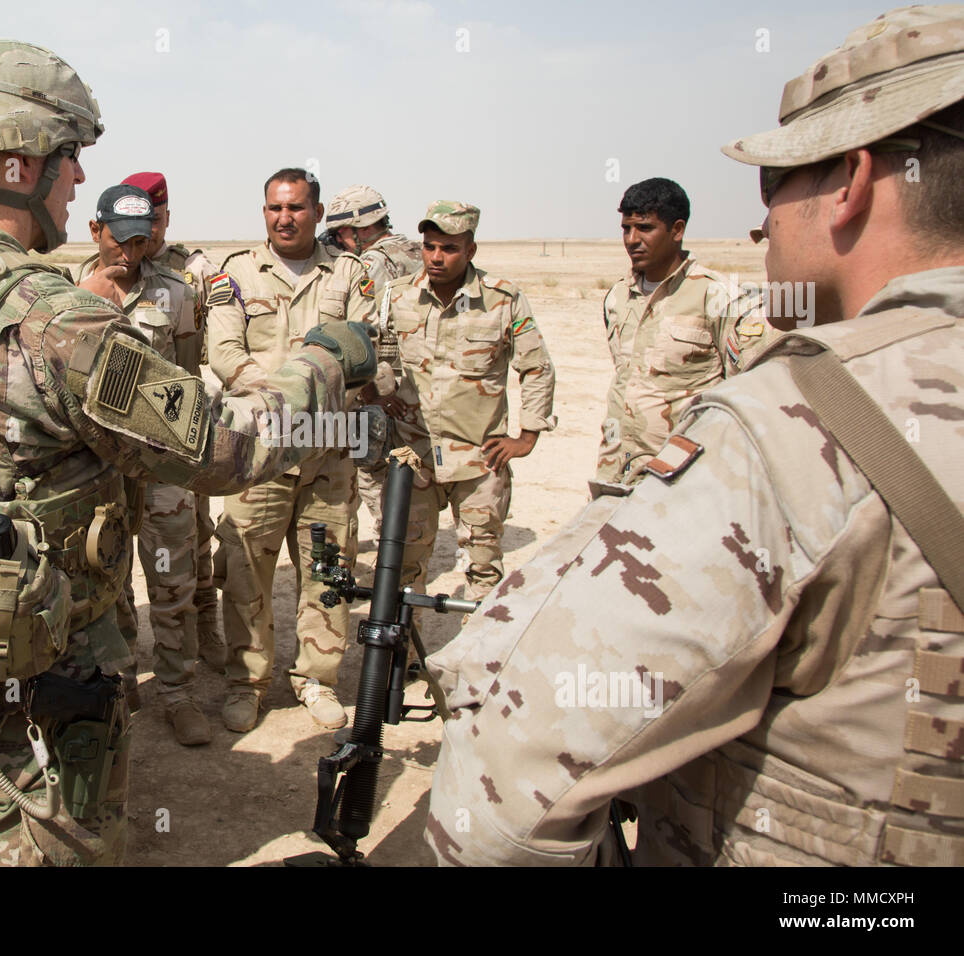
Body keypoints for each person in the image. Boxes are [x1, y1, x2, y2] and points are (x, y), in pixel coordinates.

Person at [0, 36, 375, 866]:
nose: (77, 179)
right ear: (12, 164)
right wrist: (324, 360)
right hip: (29, 698)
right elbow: (219, 448)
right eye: (67, 155)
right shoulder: (51, 318)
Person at [425, 4, 964, 867]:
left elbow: (503, 804)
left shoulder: (790, 425)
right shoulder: (619, 303)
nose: (765, 221)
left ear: (853, 181)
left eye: (773, 183)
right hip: (628, 490)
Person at [207, 168, 376, 732]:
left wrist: (301, 396)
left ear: (318, 212)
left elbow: (365, 353)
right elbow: (226, 353)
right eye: (276, 208)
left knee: (327, 571)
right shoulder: (236, 274)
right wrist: (291, 397)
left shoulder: (349, 274)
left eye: (298, 208)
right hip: (259, 456)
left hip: (327, 455)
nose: (286, 218)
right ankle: (247, 682)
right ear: (264, 214)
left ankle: (316, 679)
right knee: (245, 572)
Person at [75, 183, 212, 746]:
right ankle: (123, 681)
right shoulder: (69, 292)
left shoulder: (177, 295)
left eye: (141, 240)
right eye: (120, 241)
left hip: (160, 468)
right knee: (108, 579)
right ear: (95, 231)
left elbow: (187, 378)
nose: (131, 254)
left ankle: (178, 693)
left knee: (172, 581)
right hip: (99, 467)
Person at [385, 201, 556, 612]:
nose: (436, 257)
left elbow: (536, 367)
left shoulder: (503, 299)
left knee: (483, 570)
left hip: (480, 461)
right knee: (404, 572)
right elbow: (380, 358)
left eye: (449, 248)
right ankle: (407, 664)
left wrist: (527, 435)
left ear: (471, 250)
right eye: (429, 247)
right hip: (414, 456)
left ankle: (477, 667)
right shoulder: (399, 297)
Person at [595, 177, 772, 492]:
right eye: (626, 228)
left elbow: (752, 393)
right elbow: (626, 378)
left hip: (682, 481)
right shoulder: (617, 298)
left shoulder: (718, 297)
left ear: (676, 230)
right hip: (617, 473)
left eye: (645, 228)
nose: (632, 239)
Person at [120, 171, 226, 673]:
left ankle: (204, 621)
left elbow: (189, 366)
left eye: (156, 221)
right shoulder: (90, 275)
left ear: (166, 217)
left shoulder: (191, 272)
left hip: (175, 436)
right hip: (123, 449)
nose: (149, 234)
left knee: (195, 535)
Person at [325, 185, 424, 540]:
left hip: (381, 389)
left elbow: (364, 335)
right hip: (414, 387)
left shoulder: (371, 264)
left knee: (372, 473)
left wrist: (369, 394)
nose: (338, 241)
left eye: (341, 233)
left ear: (361, 227)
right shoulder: (417, 251)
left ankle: (392, 555)